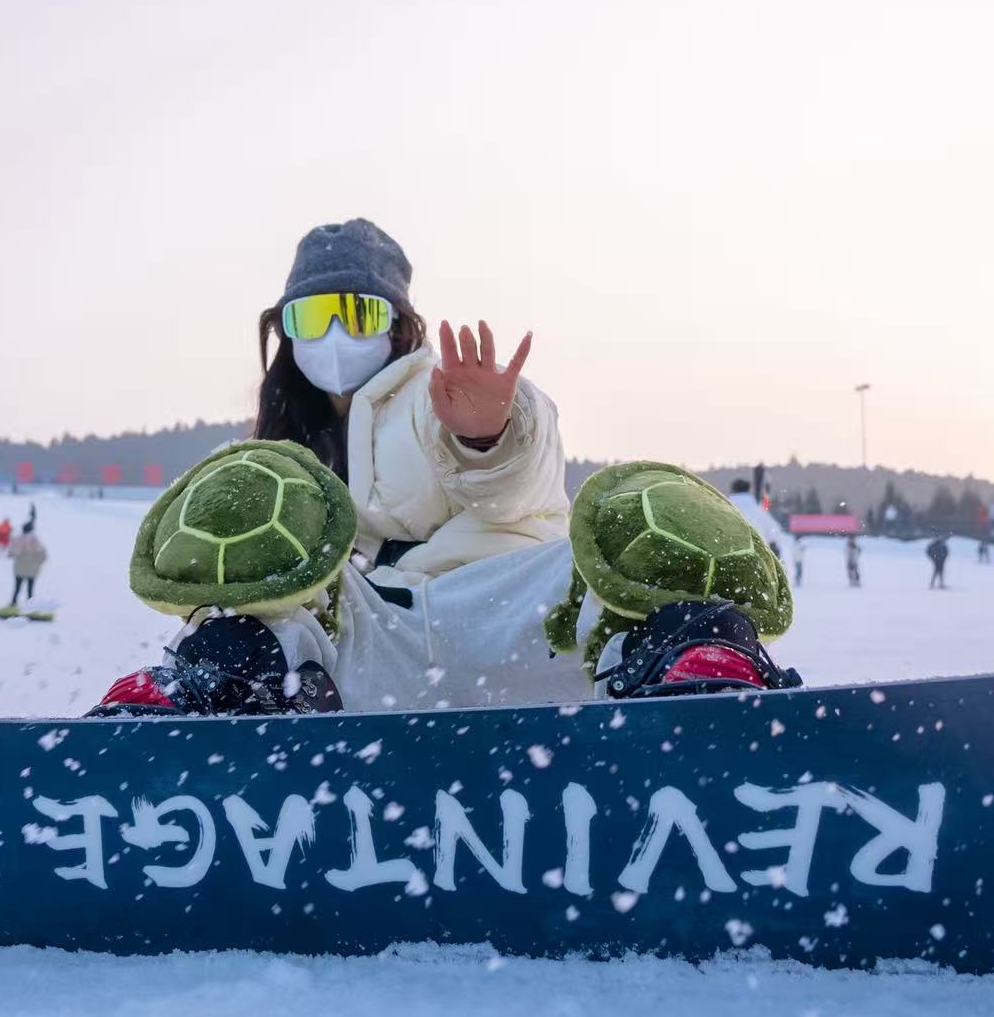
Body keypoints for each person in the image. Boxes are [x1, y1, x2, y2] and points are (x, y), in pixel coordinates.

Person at [94, 219, 800, 718]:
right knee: (272, 566)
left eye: (355, 313)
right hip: (381, 647)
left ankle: (698, 667)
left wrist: (490, 432)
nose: (334, 336)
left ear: (397, 321)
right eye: (310, 319)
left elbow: (522, 479)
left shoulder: (437, 392)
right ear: (285, 332)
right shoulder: (290, 449)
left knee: (634, 526)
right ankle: (216, 686)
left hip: (514, 619)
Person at [8, 521, 48, 610]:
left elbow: (12, 553)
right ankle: (30, 606)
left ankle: (13, 604)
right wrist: (38, 562)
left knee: (17, 588)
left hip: (19, 568)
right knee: (30, 589)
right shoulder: (35, 540)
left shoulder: (17, 539)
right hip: (32, 569)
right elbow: (43, 554)